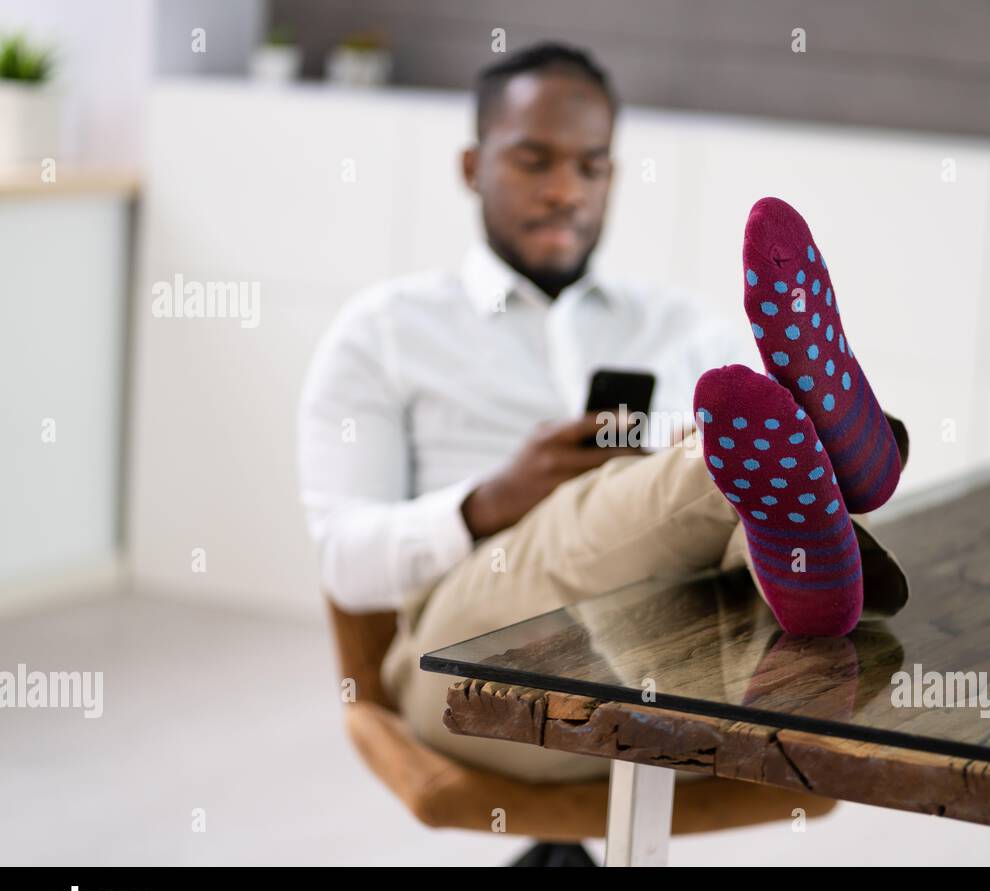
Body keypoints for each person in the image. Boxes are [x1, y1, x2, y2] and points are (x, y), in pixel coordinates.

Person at [297, 42, 907, 784]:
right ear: (472, 166)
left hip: (674, 651)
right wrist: (488, 503)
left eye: (591, 166)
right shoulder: (387, 329)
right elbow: (344, 559)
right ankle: (839, 458)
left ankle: (797, 541)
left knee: (730, 505)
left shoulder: (680, 327)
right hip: (468, 665)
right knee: (678, 473)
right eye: (534, 161)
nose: (565, 191)